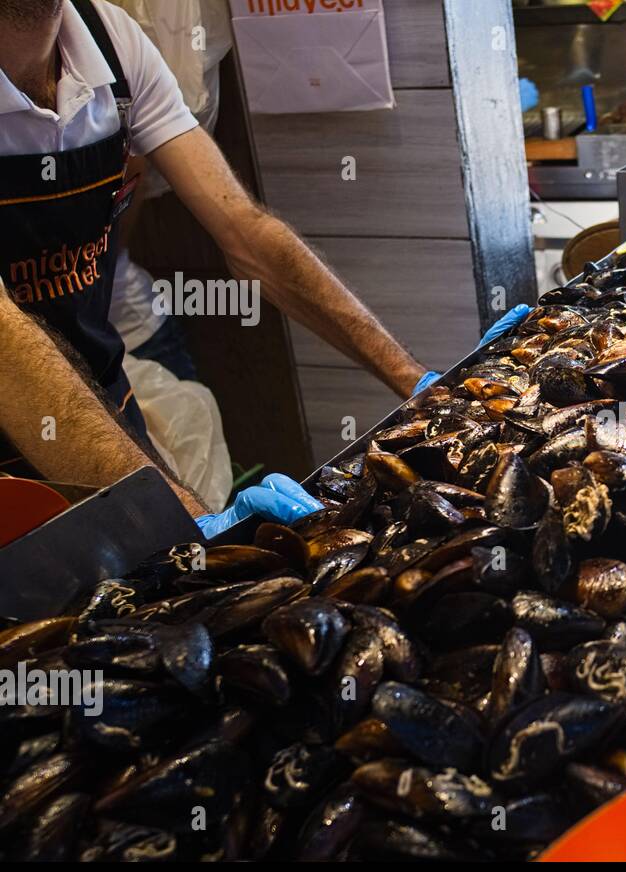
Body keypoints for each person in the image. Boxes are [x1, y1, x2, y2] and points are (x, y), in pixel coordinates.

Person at [0, 0, 443, 535]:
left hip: (104, 412)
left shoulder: (112, 40)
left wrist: (419, 383)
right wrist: (190, 518)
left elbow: (245, 228)